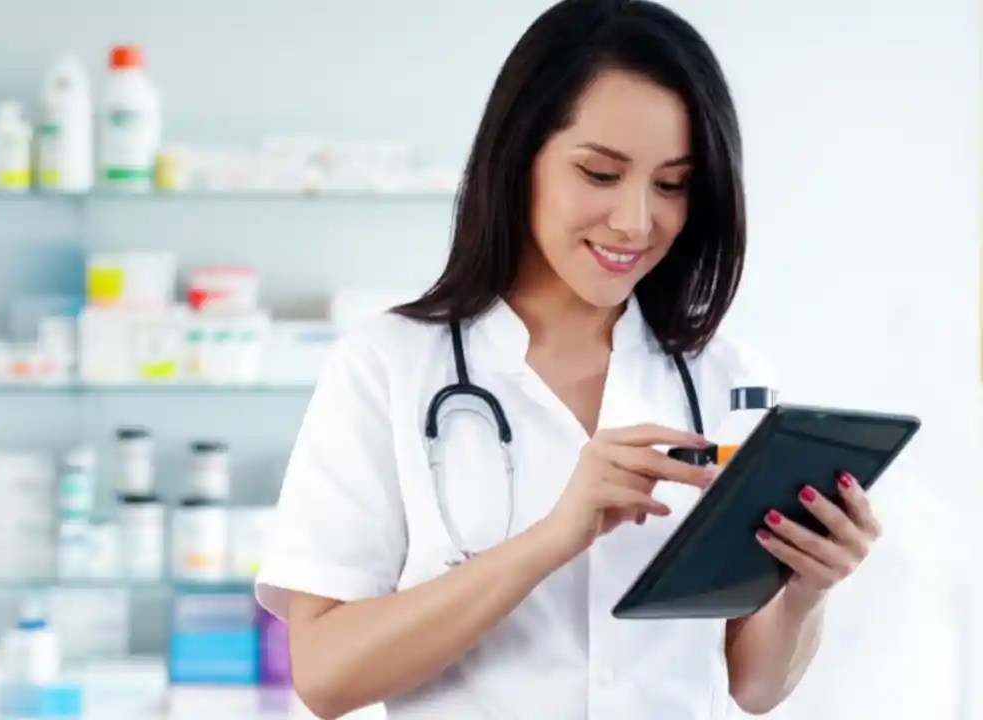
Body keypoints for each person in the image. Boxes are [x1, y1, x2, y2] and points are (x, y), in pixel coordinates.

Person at [254, 1, 885, 718]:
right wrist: (554, 537)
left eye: (672, 184)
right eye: (600, 173)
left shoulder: (728, 380)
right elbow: (327, 675)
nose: (636, 222)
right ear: (520, 155)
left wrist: (808, 588)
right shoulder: (389, 366)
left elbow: (754, 685)